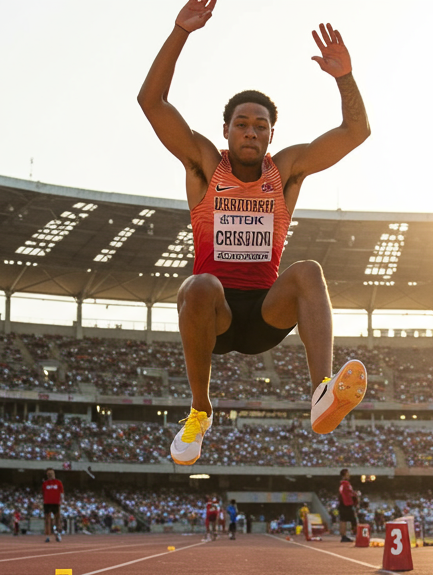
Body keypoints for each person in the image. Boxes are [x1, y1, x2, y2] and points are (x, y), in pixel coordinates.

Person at [139, 0, 373, 466]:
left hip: (267, 312)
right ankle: (199, 411)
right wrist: (179, 33)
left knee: (308, 270)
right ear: (225, 130)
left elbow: (355, 131)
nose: (251, 131)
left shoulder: (285, 170)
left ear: (271, 134)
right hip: (216, 317)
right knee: (200, 285)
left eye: (260, 126)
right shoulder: (205, 164)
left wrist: (345, 77)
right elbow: (152, 102)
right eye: (242, 124)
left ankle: (322, 393)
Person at [336, 469, 359, 543]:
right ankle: (354, 534)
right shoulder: (345, 484)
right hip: (346, 504)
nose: (349, 475)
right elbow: (346, 494)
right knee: (350, 520)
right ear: (344, 475)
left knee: (345, 520)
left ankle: (345, 536)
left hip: (345, 503)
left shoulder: (344, 484)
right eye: (348, 473)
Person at [42, 468, 63, 543]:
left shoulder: (58, 482)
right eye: (49, 473)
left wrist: (61, 501)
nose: (50, 474)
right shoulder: (45, 483)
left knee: (57, 519)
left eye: (51, 473)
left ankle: (58, 533)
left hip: (56, 503)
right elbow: (43, 493)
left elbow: (61, 493)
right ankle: (48, 536)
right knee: (47, 520)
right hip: (47, 503)